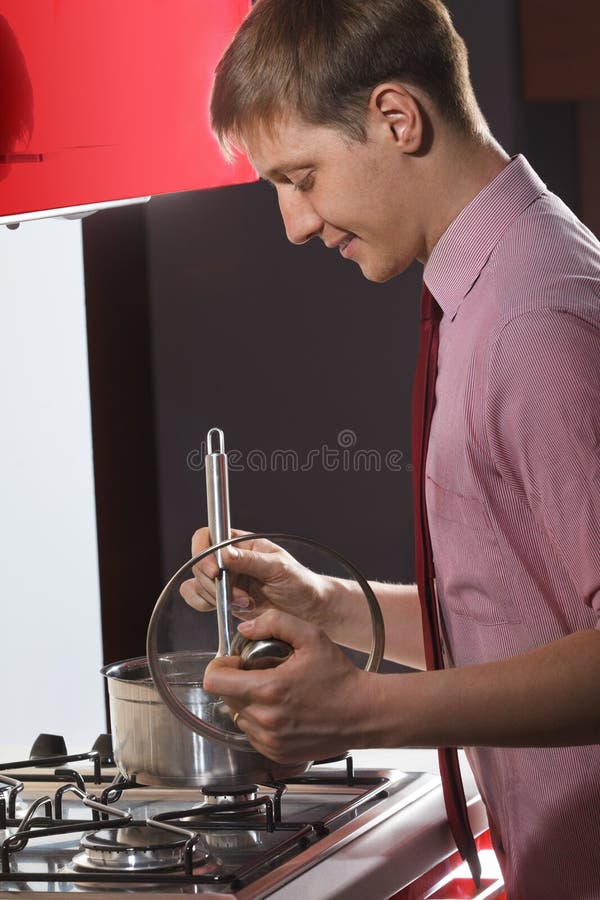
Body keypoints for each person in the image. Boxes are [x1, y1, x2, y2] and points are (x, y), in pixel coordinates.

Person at [181, 1, 600, 897]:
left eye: (302, 176)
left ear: (397, 118)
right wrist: (331, 604)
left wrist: (365, 707)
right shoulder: (492, 285)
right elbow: (534, 616)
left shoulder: (534, 320)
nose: (294, 223)